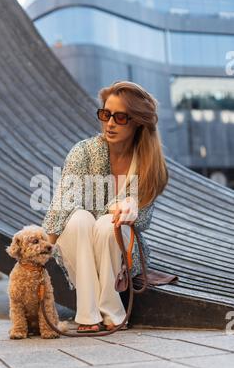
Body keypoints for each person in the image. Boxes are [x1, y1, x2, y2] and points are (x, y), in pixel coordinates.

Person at [42, 81, 169, 332]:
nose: (110, 123)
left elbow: (143, 222)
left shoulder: (148, 163)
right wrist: (41, 256)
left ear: (138, 122)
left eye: (120, 117)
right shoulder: (84, 152)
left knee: (107, 224)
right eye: (105, 114)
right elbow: (63, 204)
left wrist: (131, 209)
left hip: (118, 245)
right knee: (80, 218)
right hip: (79, 240)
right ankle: (89, 315)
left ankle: (109, 309)